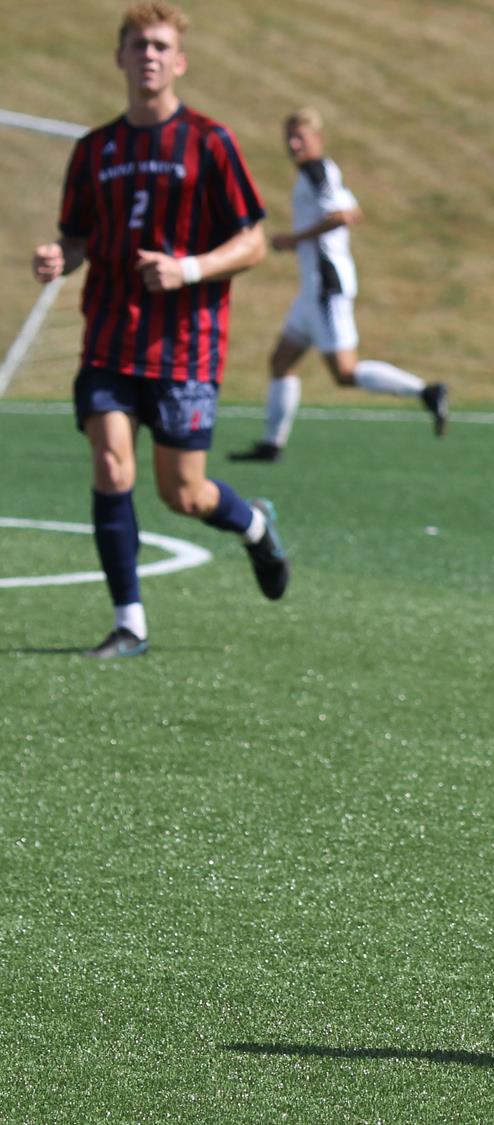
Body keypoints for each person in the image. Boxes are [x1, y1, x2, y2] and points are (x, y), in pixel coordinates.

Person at [31, 2, 290, 660]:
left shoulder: (210, 142)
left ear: (179, 60)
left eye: (159, 45)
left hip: (185, 348)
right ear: (118, 57)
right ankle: (131, 625)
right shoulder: (95, 150)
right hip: (109, 340)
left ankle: (255, 524)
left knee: (185, 493)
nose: (148, 55)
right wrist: (63, 257)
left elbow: (254, 243)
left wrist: (190, 268)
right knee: (112, 464)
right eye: (137, 44)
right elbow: (79, 236)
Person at [228, 107, 446, 462]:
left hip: (326, 287)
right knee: (281, 360)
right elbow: (351, 209)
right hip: (312, 289)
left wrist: (296, 239)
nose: (294, 144)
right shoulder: (317, 172)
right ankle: (271, 444)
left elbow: (343, 216)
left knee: (344, 372)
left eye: (301, 137)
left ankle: (426, 392)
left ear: (318, 139)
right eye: (289, 138)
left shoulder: (317, 171)